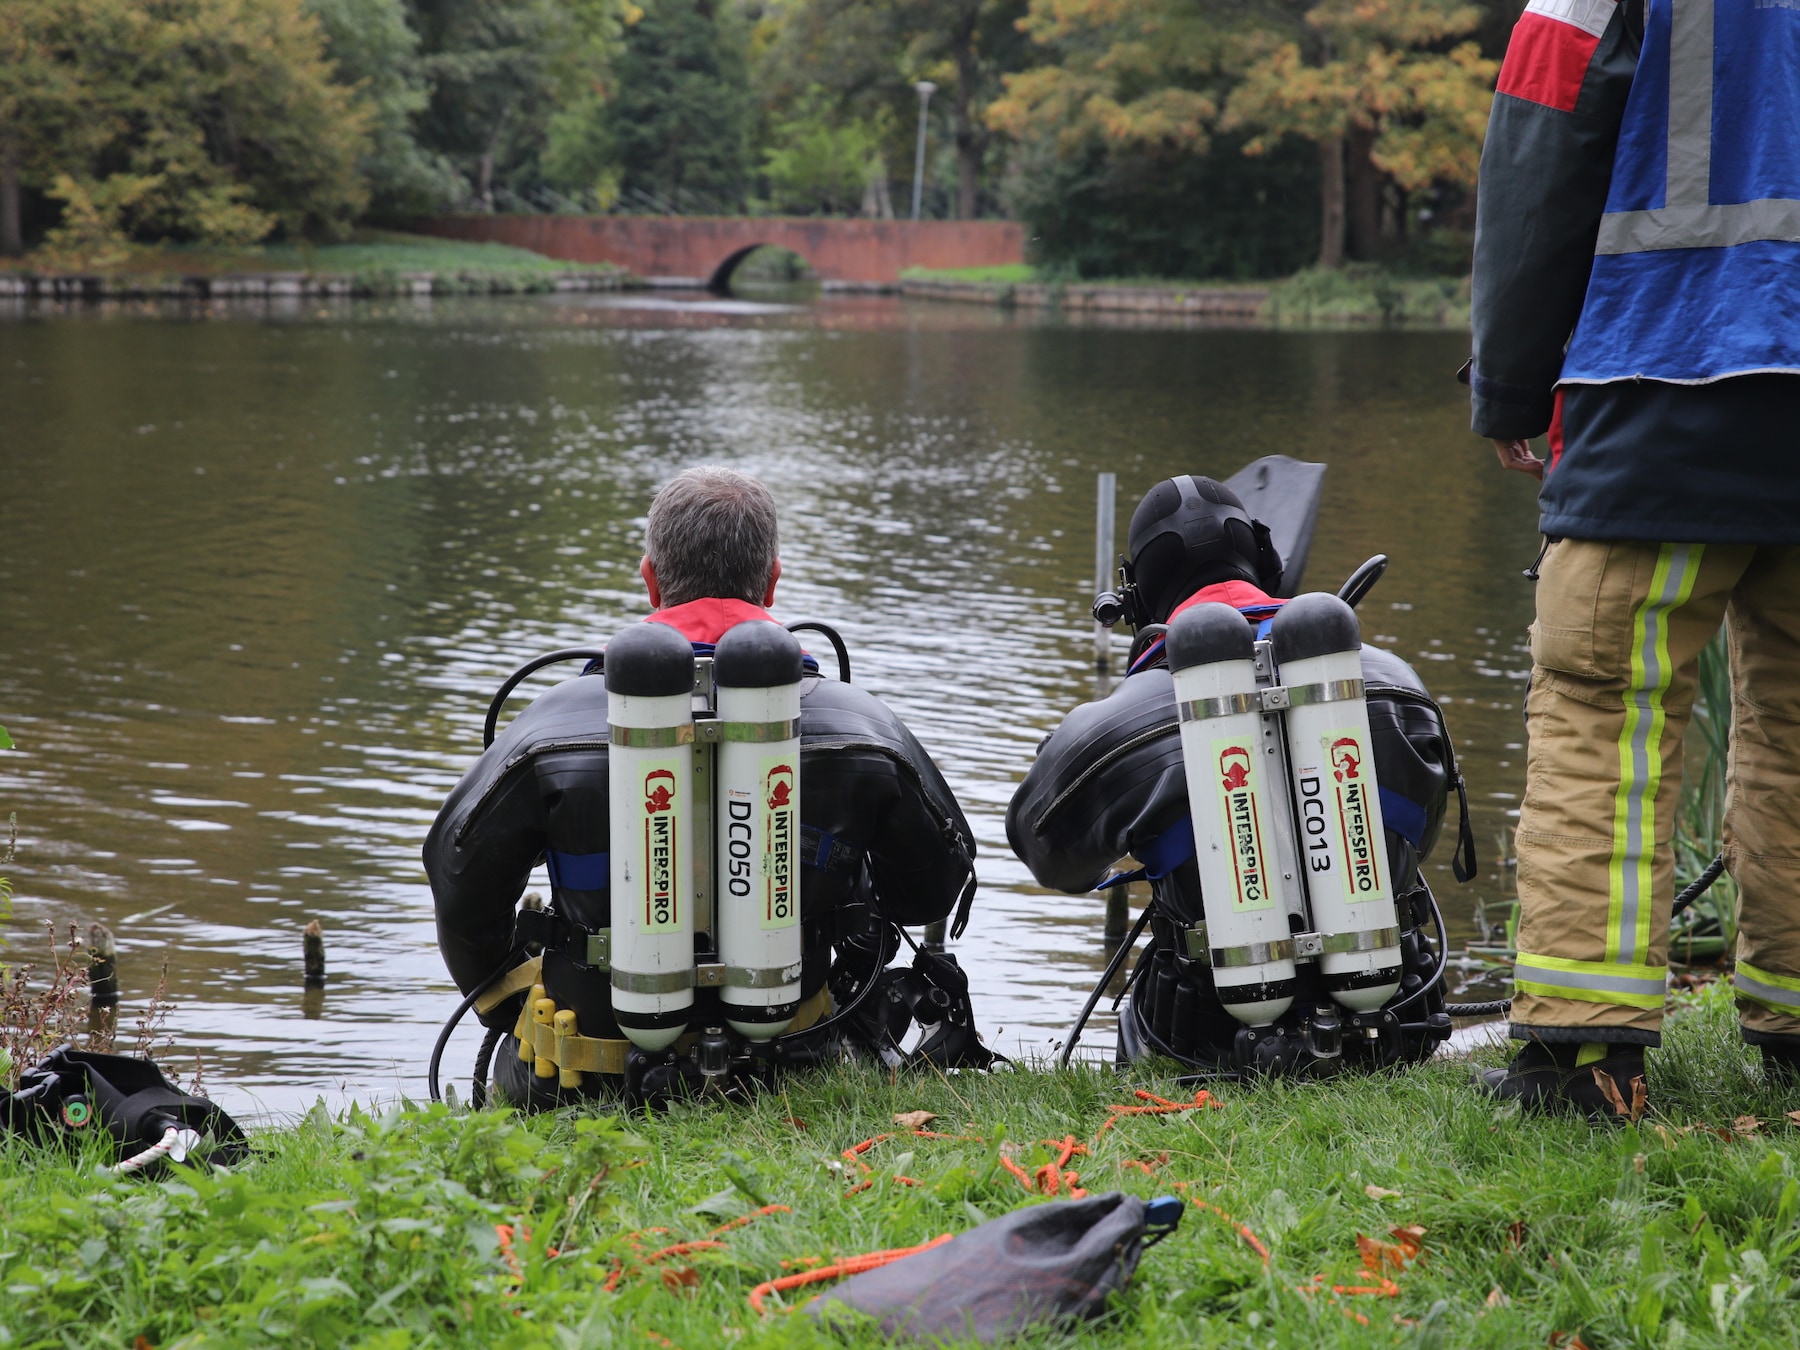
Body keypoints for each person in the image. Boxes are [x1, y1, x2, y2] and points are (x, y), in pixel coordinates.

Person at [1469, 0, 1800, 1115]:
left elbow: (1539, 148)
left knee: (1602, 708)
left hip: (1663, 371)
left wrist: (1510, 382)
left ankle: (1582, 1054)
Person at [424, 466, 988, 1108]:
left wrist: (509, 1004)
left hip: (583, 1077)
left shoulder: (548, 726)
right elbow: (929, 891)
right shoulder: (863, 727)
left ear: (650, 578)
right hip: (793, 1067)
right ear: (772, 580)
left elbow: (458, 882)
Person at [1007, 476, 1470, 1075]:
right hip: (1394, 1018)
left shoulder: (1121, 722)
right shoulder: (1393, 681)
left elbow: (1046, 854)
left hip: (1212, 1039)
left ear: (1137, 600)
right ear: (1267, 561)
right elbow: (1420, 840)